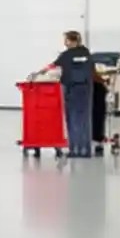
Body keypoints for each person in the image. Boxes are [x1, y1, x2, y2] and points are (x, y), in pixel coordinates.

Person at [32, 30, 93, 158]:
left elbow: (52, 66)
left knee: (72, 120)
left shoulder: (66, 55)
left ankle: (74, 150)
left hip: (71, 89)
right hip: (85, 89)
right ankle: (85, 150)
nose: (64, 42)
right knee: (84, 120)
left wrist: (38, 73)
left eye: (66, 40)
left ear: (72, 41)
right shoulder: (86, 53)